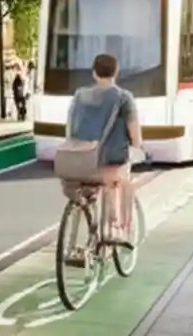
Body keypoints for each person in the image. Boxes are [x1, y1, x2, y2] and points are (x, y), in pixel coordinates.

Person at [63, 54, 141, 249]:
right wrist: (137, 147)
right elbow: (135, 136)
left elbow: (70, 128)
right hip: (110, 164)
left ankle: (73, 244)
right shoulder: (124, 98)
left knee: (85, 192)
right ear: (116, 72)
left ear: (94, 73)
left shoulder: (80, 95)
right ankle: (115, 228)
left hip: (78, 164)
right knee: (121, 182)